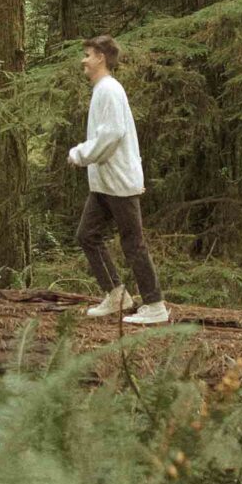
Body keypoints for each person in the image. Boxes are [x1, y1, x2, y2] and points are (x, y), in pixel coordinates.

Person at [68, 35, 168, 324]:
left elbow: (111, 134)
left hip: (119, 183)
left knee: (132, 242)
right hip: (105, 183)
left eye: (87, 54)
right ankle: (117, 295)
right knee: (87, 235)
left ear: (100, 57)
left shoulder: (109, 90)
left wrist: (80, 154)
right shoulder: (103, 90)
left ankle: (155, 305)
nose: (83, 61)